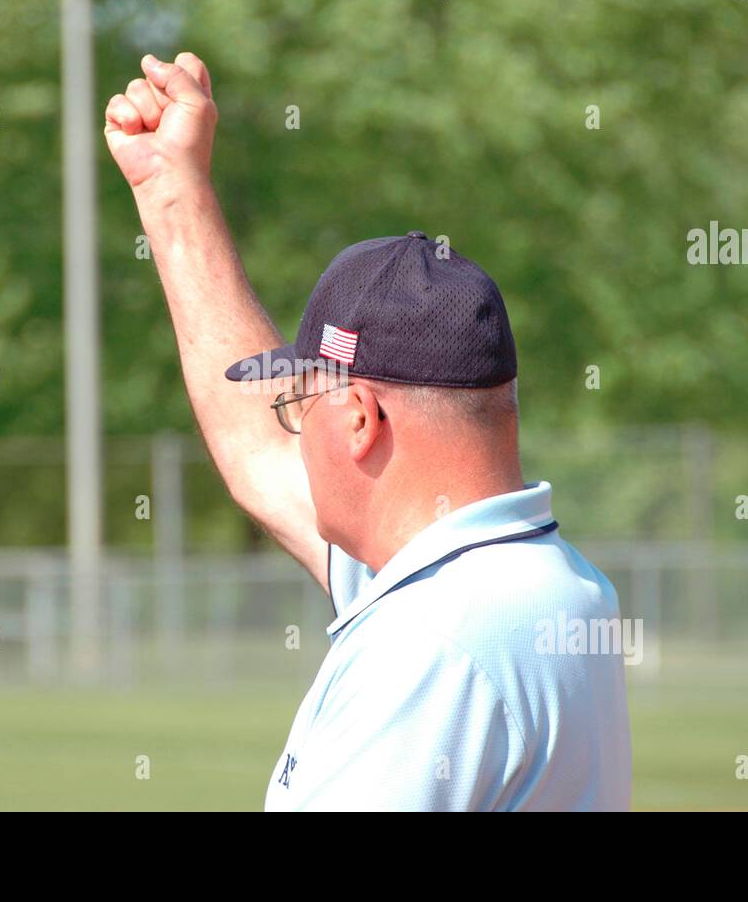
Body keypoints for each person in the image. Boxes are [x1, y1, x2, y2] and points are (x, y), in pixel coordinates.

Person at [104, 52, 631, 811]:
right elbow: (262, 456)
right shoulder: (547, 583)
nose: (291, 431)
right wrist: (171, 193)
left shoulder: (434, 642)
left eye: (299, 403)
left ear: (359, 420)